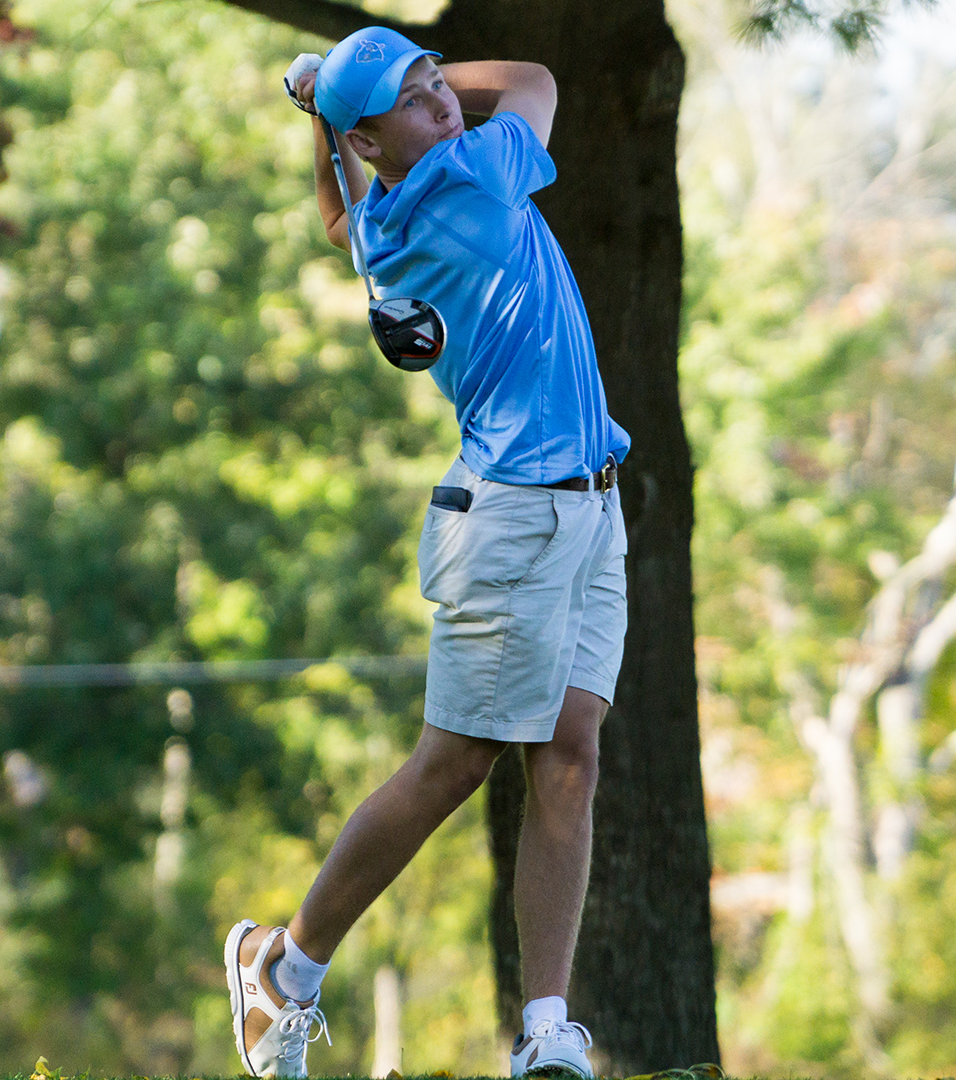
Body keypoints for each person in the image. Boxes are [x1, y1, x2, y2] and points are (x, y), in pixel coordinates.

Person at [225, 25, 631, 1079]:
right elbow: (537, 79)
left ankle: (547, 1032)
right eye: (414, 97)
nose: (441, 99)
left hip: (586, 508)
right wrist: (358, 97)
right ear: (373, 141)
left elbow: (334, 217)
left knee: (571, 755)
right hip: (517, 518)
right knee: (454, 763)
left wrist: (332, 115)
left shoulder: (381, 222)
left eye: (432, 78)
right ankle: (286, 967)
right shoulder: (476, 179)